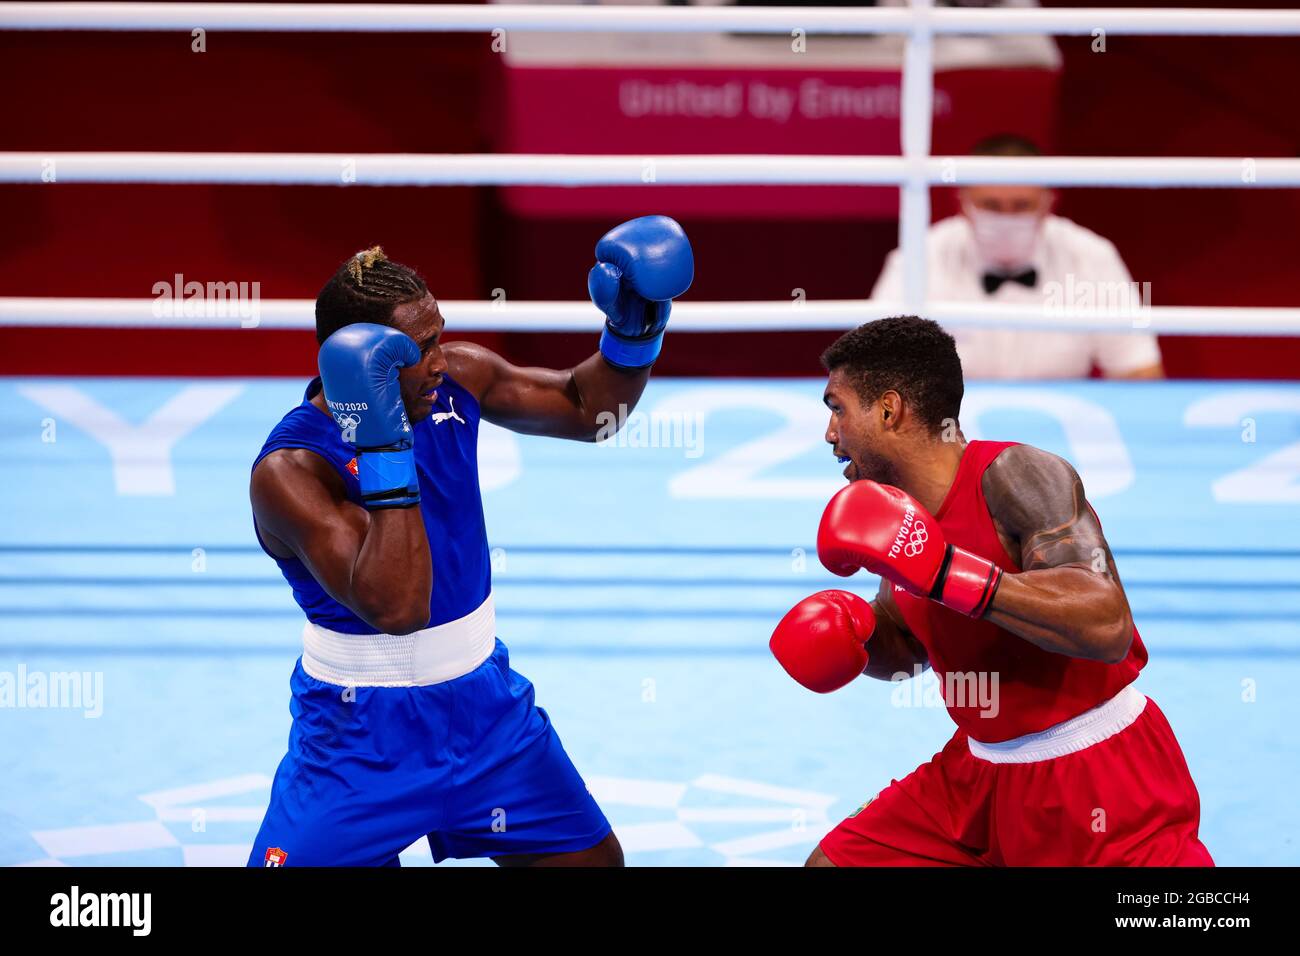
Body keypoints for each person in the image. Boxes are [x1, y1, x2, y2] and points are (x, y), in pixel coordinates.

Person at [245, 217, 693, 866]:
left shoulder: (457, 378)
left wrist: (633, 330)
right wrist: (384, 441)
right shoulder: (289, 472)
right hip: (357, 739)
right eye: (416, 350)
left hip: (487, 716)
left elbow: (583, 409)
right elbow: (397, 608)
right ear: (359, 361)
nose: (438, 362)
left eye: (438, 340)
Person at [769, 315, 1210, 866]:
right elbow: (909, 645)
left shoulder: (1018, 474)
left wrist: (948, 573)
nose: (830, 435)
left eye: (837, 409)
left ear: (889, 409)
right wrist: (854, 640)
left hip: (1097, 774)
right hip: (974, 778)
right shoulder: (898, 515)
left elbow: (1106, 625)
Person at [872, 135, 1164, 379]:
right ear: (963, 203)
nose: (1006, 217)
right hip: (948, 433)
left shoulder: (1091, 255)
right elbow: (875, 371)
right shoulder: (918, 258)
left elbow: (1139, 372)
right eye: (991, 205)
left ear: (1049, 203)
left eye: (1021, 205)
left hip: (1059, 435)